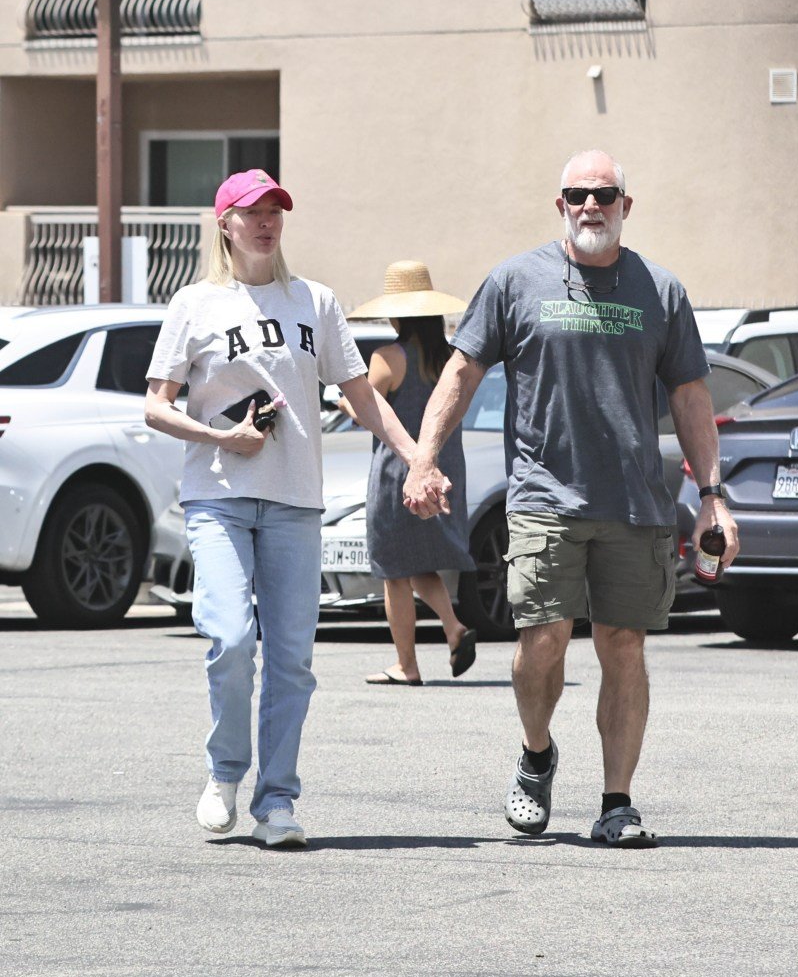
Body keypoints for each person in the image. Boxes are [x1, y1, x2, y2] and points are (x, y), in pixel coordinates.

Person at [403, 150, 739, 847]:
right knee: (542, 640)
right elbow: (461, 372)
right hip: (542, 496)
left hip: (635, 502)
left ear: (625, 204)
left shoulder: (659, 289)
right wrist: (423, 457)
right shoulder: (514, 280)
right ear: (559, 204)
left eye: (604, 193)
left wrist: (711, 495)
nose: (590, 204)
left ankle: (616, 803)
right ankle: (535, 753)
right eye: (576, 194)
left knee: (622, 646)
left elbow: (690, 396)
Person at [144, 169, 422, 847]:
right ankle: (224, 772)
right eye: (251, 211)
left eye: (275, 210)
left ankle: (276, 802)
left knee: (293, 659)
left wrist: (418, 456)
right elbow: (156, 405)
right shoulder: (195, 303)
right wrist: (220, 436)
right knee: (232, 639)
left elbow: (361, 394)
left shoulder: (315, 302)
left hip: (295, 501)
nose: (266, 221)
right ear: (225, 224)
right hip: (219, 498)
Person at [337, 260, 477, 685]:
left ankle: (407, 665)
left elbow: (364, 408)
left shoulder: (387, 356)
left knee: (393, 569)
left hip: (398, 472)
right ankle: (453, 628)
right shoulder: (453, 356)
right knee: (418, 562)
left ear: (398, 312)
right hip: (446, 467)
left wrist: (340, 401)